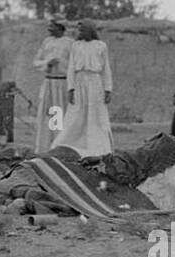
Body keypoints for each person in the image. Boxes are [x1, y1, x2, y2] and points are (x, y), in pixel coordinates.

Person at [60, 19, 114, 156]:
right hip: (79, 82)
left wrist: (108, 89)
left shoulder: (101, 46)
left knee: (95, 114)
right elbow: (71, 68)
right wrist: (70, 88)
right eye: (79, 30)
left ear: (90, 30)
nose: (80, 32)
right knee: (76, 112)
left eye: (83, 30)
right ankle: (69, 144)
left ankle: (97, 147)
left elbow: (106, 69)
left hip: (95, 82)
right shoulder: (76, 46)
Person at [32, 17, 74, 153]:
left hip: (61, 84)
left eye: (52, 26)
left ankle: (58, 146)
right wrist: (47, 63)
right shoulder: (47, 42)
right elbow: (36, 62)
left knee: (59, 113)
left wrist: (61, 64)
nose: (49, 29)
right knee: (47, 114)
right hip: (49, 82)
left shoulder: (69, 43)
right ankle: (45, 146)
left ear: (60, 27)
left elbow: (74, 65)